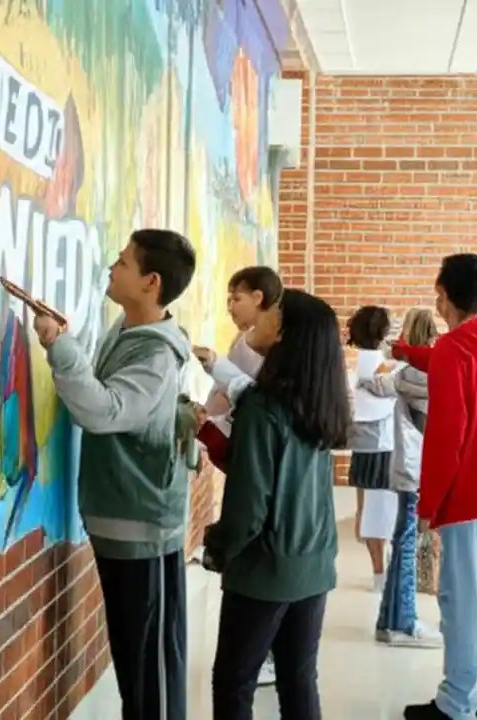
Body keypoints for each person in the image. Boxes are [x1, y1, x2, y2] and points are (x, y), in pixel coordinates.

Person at [33, 228, 196, 720]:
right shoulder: (123, 331)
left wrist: (60, 348)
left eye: (123, 262)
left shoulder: (154, 352)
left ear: (151, 281)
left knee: (149, 672)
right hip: (117, 519)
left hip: (143, 526)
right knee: (132, 660)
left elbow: (105, 410)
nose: (112, 267)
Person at [203, 289, 349, 720]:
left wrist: (219, 546)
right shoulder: (317, 401)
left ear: (283, 331)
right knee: (298, 678)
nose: (257, 317)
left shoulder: (265, 408)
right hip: (314, 562)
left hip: (265, 569)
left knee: (233, 682)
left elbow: (250, 507)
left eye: (269, 311)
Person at [396, 253, 477, 720]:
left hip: (465, 492)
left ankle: (456, 702)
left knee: (459, 598)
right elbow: (451, 362)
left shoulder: (454, 350)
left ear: (443, 294)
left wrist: (429, 503)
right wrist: (408, 354)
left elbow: (446, 435)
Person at [192, 265, 284, 686]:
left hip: (242, 455)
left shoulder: (261, 355)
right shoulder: (242, 343)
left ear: (261, 301)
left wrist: (205, 426)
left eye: (237, 297)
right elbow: (226, 396)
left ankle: (260, 656)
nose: (230, 306)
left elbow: (242, 398)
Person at [359, 307, 443, 648]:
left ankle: (390, 620)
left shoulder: (407, 374)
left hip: (410, 469)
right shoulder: (430, 374)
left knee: (403, 542)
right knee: (407, 544)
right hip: (422, 471)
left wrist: (367, 372)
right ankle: (402, 622)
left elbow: (378, 385)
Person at [347, 305, 399, 593]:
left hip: (366, 444)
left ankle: (379, 572)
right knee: (378, 514)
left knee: (368, 511)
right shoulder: (378, 364)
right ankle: (381, 574)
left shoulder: (365, 361)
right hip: (381, 445)